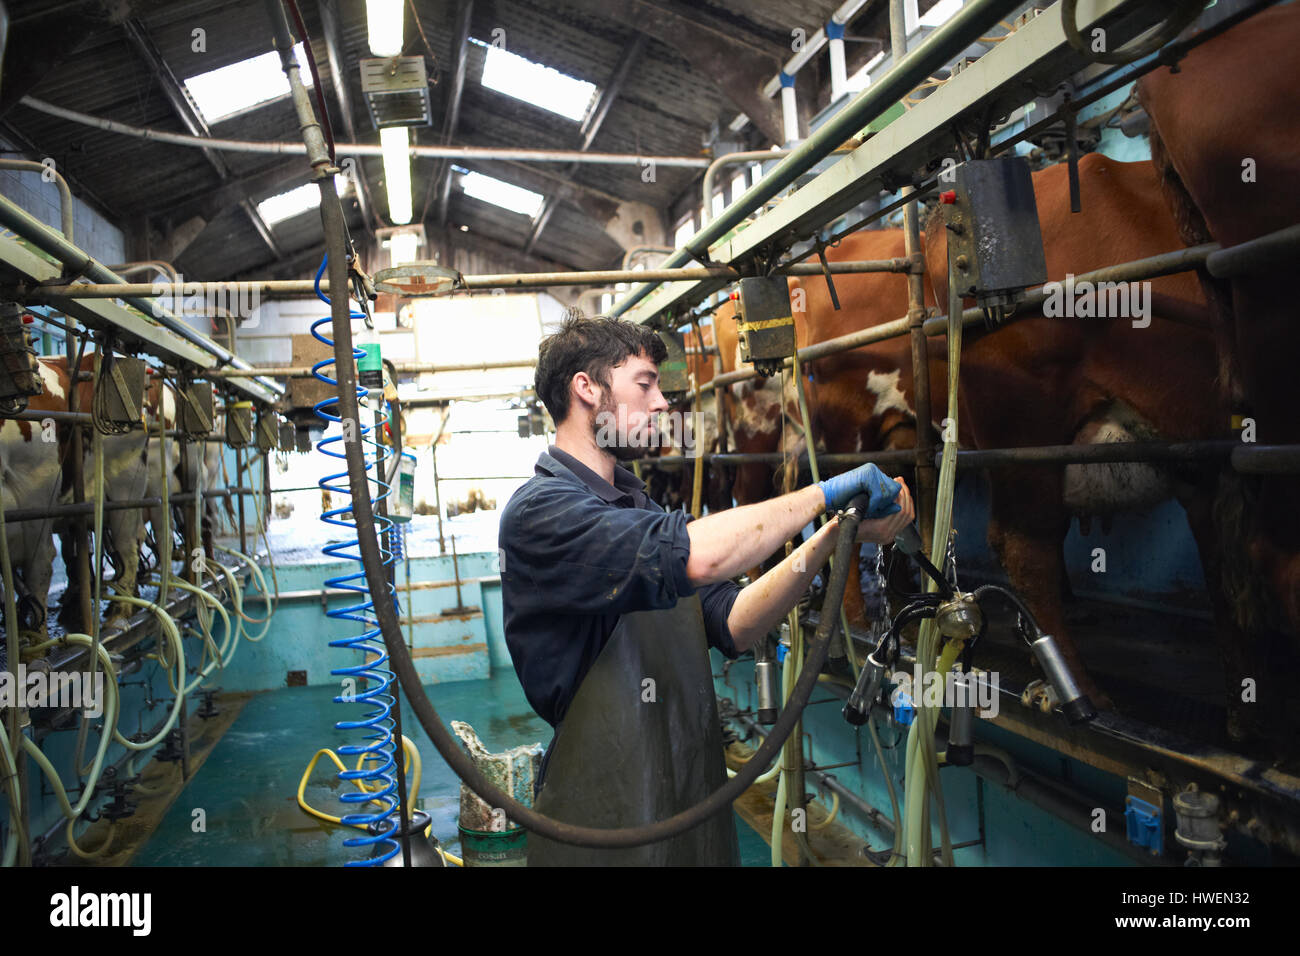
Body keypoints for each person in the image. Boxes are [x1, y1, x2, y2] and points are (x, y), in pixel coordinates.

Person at [498, 314, 914, 865]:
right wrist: (823, 492)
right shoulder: (541, 513)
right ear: (586, 388)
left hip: (685, 797)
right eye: (645, 384)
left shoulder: (637, 506)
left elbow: (735, 620)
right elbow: (698, 555)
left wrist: (837, 533)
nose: (663, 404)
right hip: (605, 821)